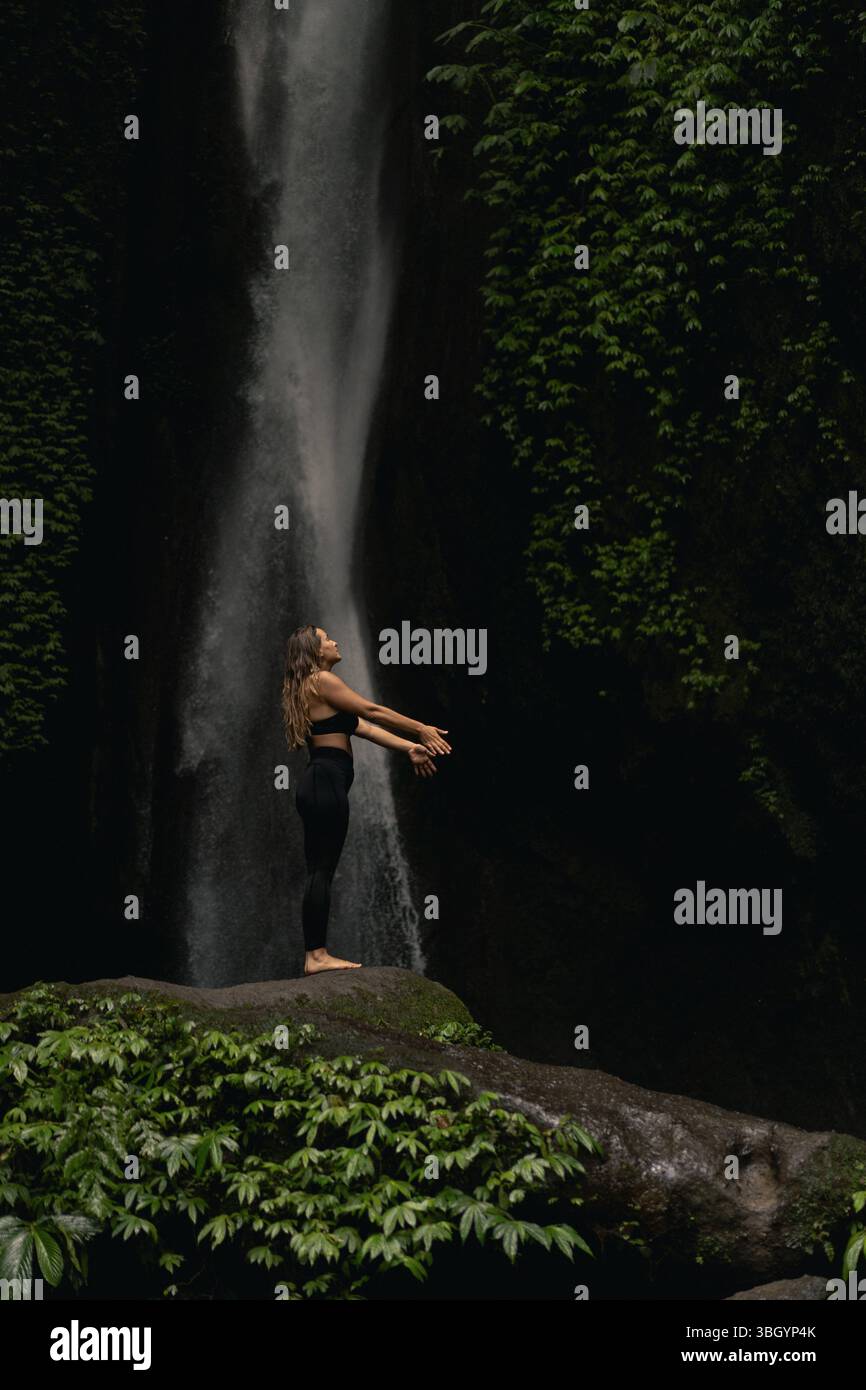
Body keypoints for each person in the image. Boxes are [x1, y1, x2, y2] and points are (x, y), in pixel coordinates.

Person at [281, 624, 451, 975]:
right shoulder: (321, 681)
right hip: (324, 782)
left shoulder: (315, 689)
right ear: (314, 651)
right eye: (327, 638)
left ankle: (316, 953)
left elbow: (365, 727)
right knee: (321, 871)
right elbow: (372, 710)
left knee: (320, 869)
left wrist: (411, 748)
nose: (335, 640)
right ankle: (316, 955)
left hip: (322, 784)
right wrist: (420, 727)